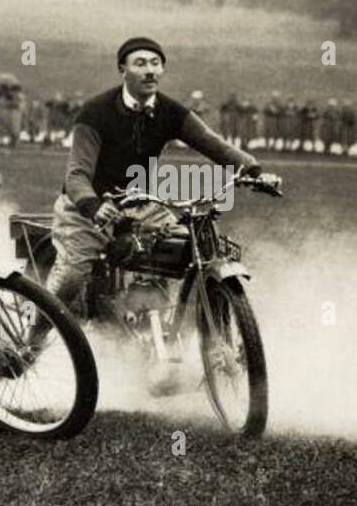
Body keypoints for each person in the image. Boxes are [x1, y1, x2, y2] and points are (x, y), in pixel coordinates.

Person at [42, 37, 269, 322]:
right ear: (122, 69)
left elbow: (212, 143)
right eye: (140, 63)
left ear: (162, 69)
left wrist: (253, 170)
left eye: (155, 63)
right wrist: (92, 206)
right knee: (71, 278)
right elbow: (76, 174)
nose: (150, 70)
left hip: (141, 203)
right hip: (88, 207)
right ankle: (30, 342)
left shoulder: (171, 112)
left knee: (185, 250)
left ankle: (160, 323)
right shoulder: (95, 111)